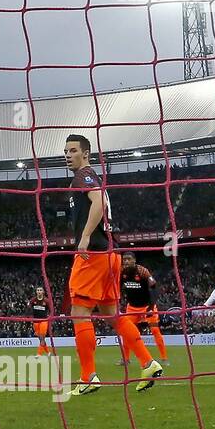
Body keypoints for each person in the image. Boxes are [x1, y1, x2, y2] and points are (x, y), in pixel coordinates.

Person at [63, 134, 162, 396]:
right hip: (111, 255)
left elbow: (96, 201)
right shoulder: (92, 178)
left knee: (79, 313)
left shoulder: (84, 176)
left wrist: (84, 238)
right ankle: (148, 362)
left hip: (93, 255)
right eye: (66, 151)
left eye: (73, 150)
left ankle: (88, 377)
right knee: (113, 316)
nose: (67, 154)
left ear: (85, 154)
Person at [117, 253, 167, 367]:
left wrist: (150, 307)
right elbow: (117, 287)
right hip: (132, 308)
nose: (126, 261)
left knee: (155, 330)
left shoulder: (142, 271)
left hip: (147, 307)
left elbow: (154, 288)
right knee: (126, 332)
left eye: (129, 259)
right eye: (124, 259)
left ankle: (164, 358)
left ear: (134, 260)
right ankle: (125, 359)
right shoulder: (121, 272)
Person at [29, 286, 53, 355]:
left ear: (43, 292)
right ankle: (48, 352)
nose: (39, 291)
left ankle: (39, 354)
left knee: (42, 338)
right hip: (35, 322)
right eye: (38, 290)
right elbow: (29, 309)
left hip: (44, 321)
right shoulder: (33, 300)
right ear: (36, 292)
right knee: (40, 339)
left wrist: (50, 317)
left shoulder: (46, 301)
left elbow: (51, 310)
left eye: (40, 290)